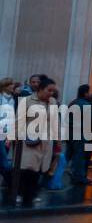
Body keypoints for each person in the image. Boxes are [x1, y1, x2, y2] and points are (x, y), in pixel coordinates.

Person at [10, 75, 61, 208]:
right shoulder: (27, 100)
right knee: (27, 169)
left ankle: (29, 194)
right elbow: (18, 121)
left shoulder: (53, 102)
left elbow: (56, 122)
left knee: (39, 169)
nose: (52, 93)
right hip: (29, 142)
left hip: (46, 143)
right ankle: (23, 195)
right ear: (41, 89)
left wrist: (59, 140)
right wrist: (12, 138)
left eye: (53, 91)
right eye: (49, 90)